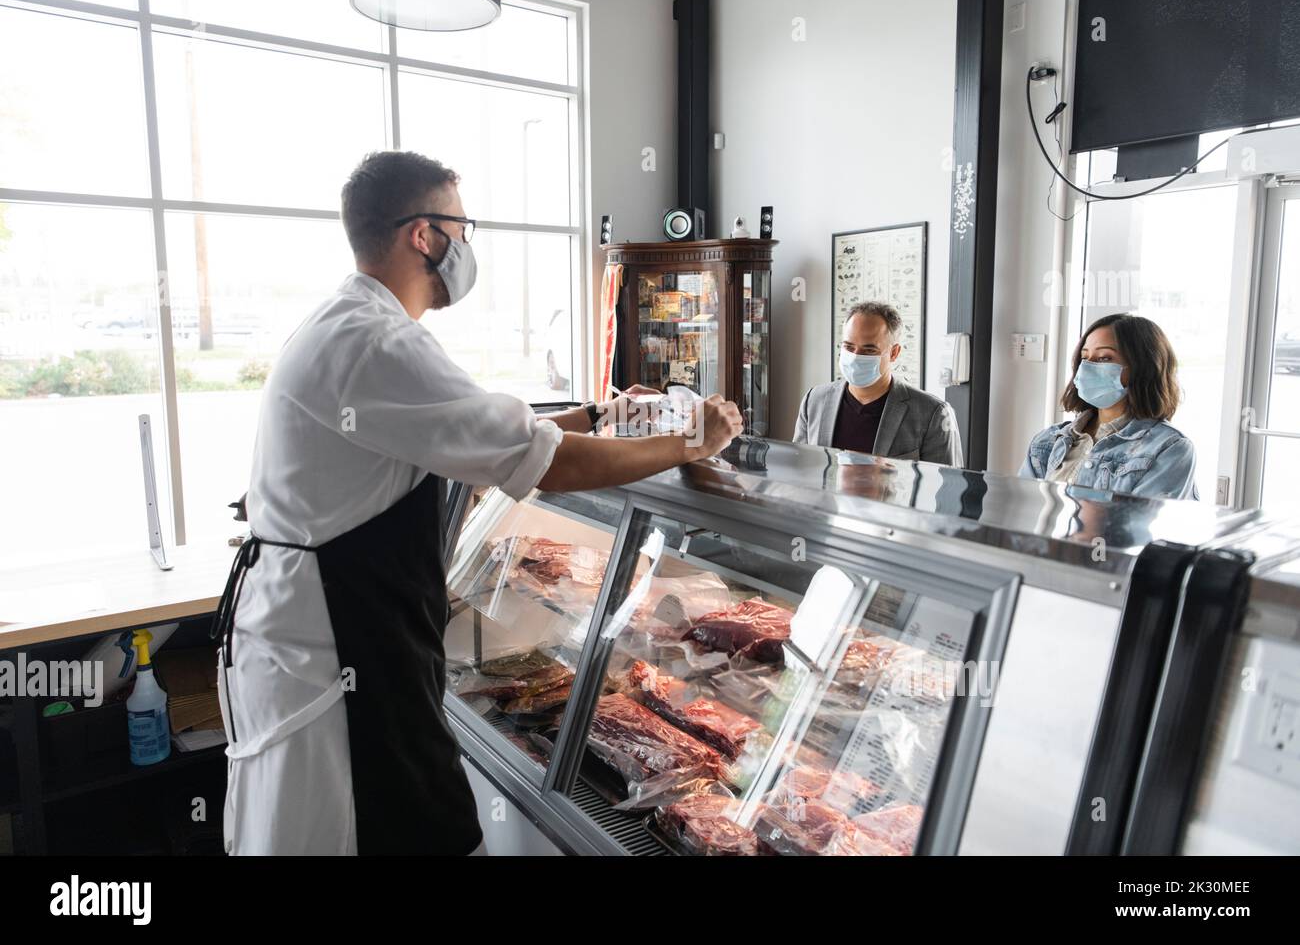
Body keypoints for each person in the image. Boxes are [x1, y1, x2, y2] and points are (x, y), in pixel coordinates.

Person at [213, 151, 743, 855]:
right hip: (341, 646)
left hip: (327, 630)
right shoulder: (377, 342)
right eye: (464, 226)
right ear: (425, 235)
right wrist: (688, 444)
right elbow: (551, 465)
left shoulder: (347, 323)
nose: (470, 245)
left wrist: (602, 413)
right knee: (387, 825)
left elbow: (497, 437)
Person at [1019, 313, 1197, 499]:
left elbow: (1138, 525)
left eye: (1104, 358)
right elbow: (1022, 512)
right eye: (1084, 357)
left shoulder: (1169, 449)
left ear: (1142, 367)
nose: (1087, 367)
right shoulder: (1047, 441)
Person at [793, 301, 963, 466]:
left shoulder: (932, 413)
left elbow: (946, 488)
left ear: (894, 353)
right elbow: (800, 472)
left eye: (869, 350)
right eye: (849, 347)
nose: (855, 357)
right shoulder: (814, 400)